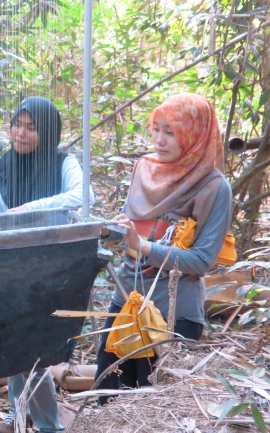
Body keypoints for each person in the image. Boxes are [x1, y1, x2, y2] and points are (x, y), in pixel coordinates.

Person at [94, 93, 231, 403]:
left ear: (195, 135)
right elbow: (131, 236)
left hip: (172, 316)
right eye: (156, 128)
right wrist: (114, 231)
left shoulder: (214, 187)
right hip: (125, 304)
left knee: (153, 408)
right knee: (107, 402)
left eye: (171, 131)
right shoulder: (144, 168)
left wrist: (142, 245)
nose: (159, 139)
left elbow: (201, 261)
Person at [0, 96, 93, 433]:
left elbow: (84, 197)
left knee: (32, 348)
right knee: (16, 344)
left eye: (31, 127)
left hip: (52, 269)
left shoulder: (64, 163)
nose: (20, 133)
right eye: (17, 124)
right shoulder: (5, 165)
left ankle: (49, 425)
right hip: (14, 266)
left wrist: (32, 208)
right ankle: (18, 411)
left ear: (47, 132)